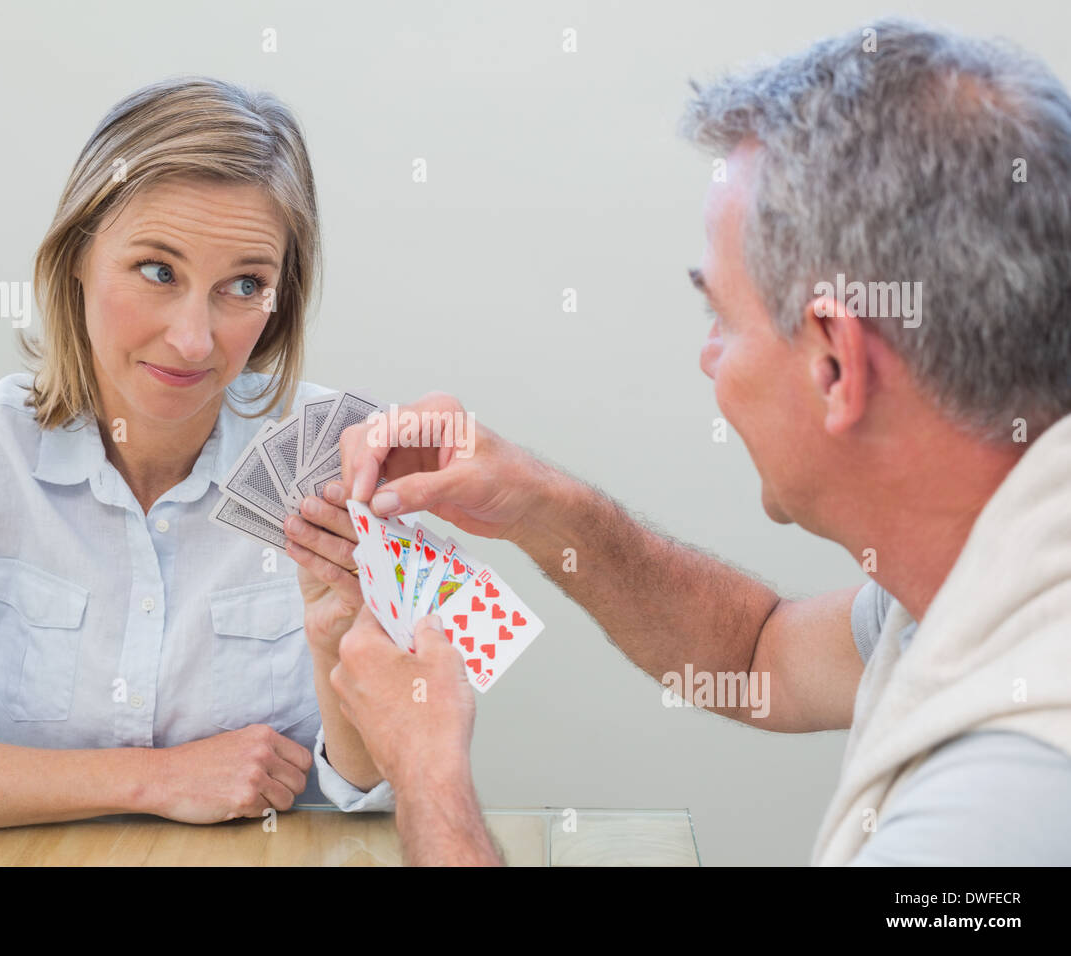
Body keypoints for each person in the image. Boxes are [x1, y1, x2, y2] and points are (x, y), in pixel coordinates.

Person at [325, 20, 1071, 866]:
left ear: (836, 366)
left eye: (721, 315)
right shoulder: (988, 562)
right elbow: (760, 656)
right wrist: (541, 505)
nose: (706, 356)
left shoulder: (1007, 797)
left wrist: (426, 770)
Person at [0, 76, 392, 838]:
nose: (192, 339)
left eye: (244, 285)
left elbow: (380, 799)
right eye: (157, 270)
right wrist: (157, 779)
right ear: (78, 255)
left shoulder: (328, 461)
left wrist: (340, 652)